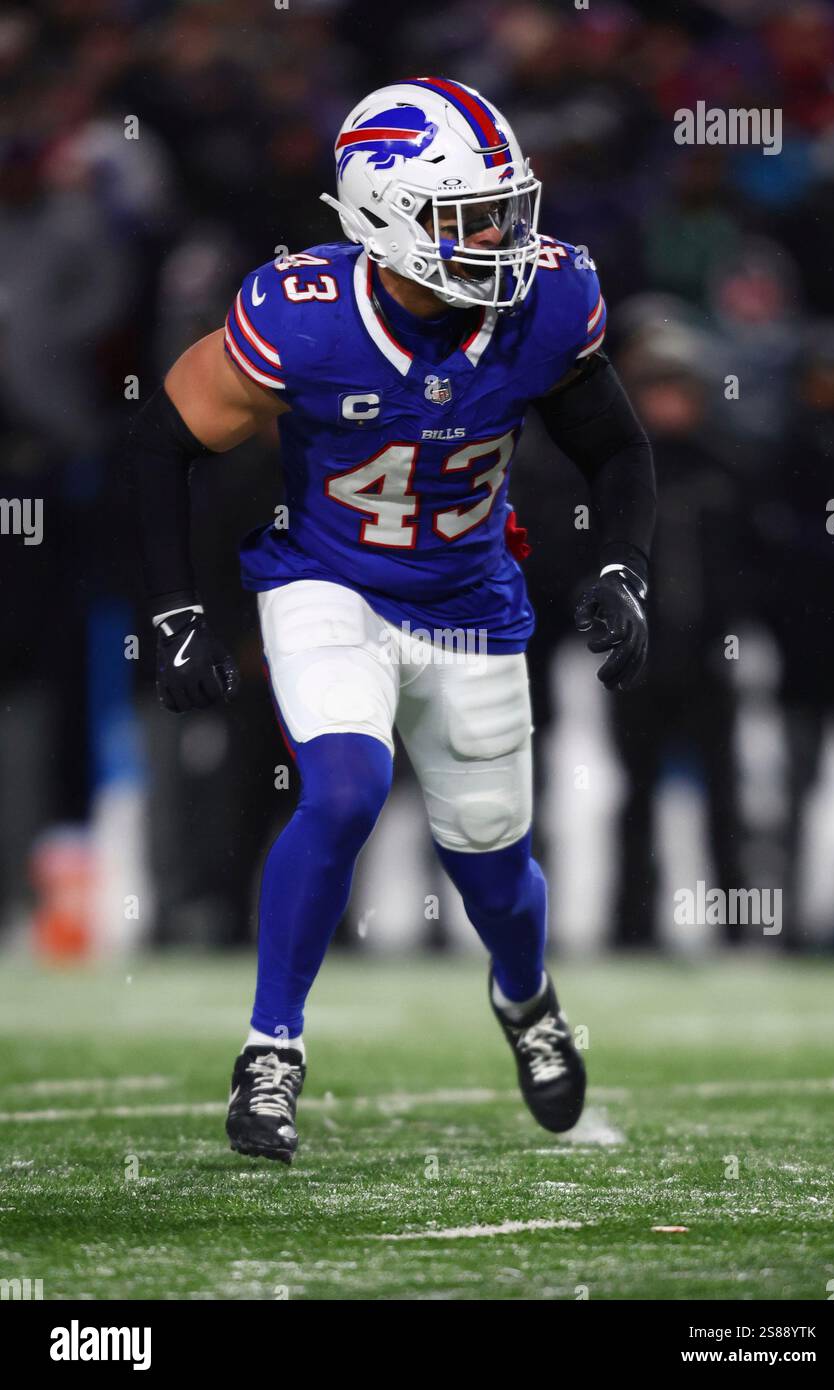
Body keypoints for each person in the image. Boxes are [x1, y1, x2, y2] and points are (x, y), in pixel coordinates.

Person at [128, 78, 655, 1164]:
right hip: (329, 583)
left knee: (493, 865)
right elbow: (159, 445)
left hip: (470, 601)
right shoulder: (302, 315)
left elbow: (614, 445)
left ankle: (526, 1002)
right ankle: (271, 1049)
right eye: (469, 217)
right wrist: (175, 609)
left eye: (506, 209)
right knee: (345, 786)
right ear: (384, 215)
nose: (503, 238)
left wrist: (622, 566)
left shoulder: (543, 303)